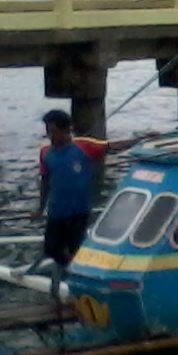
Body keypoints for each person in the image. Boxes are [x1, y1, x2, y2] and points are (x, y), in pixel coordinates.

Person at [34, 110, 153, 270]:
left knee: (76, 247)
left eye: (53, 131)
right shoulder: (45, 152)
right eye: (48, 131)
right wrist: (40, 209)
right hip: (56, 212)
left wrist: (142, 139)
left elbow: (113, 147)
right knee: (51, 249)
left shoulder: (84, 146)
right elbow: (45, 181)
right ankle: (68, 268)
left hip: (78, 212)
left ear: (66, 130)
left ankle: (74, 273)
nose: (50, 135)